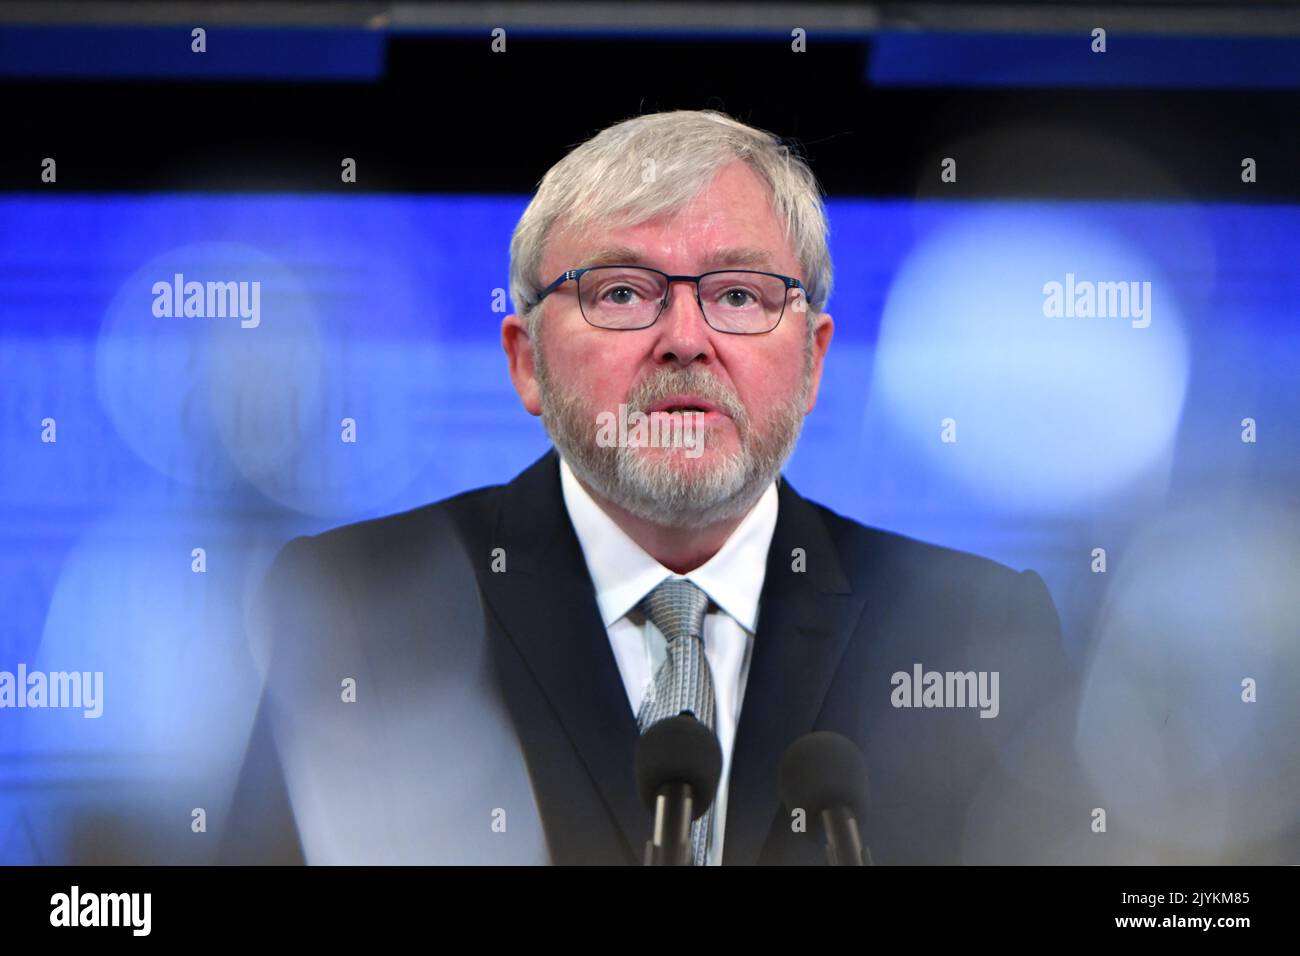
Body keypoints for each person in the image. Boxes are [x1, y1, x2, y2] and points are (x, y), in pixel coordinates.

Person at [223, 109, 1089, 866]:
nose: (685, 338)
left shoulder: (975, 629)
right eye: (624, 291)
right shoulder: (363, 610)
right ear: (526, 364)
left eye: (741, 295)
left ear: (816, 360)